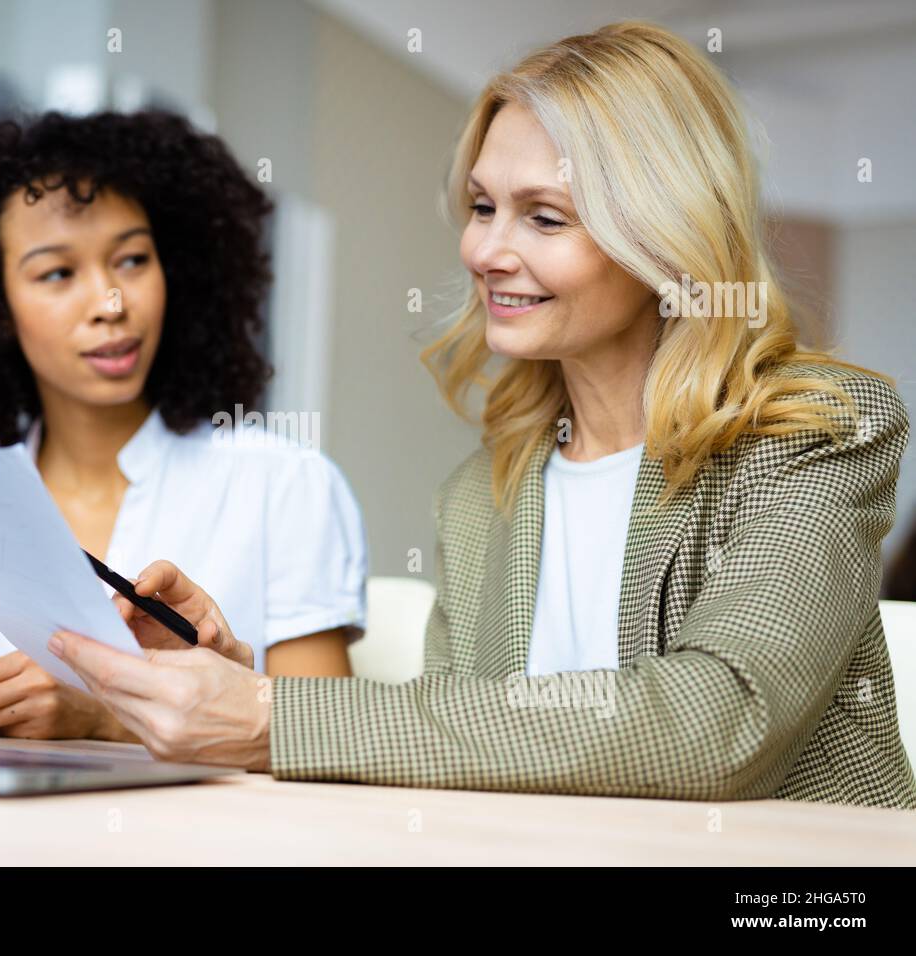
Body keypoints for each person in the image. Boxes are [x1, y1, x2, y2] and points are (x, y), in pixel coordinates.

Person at [46, 22, 916, 808]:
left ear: (664, 236)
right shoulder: (482, 495)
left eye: (545, 217)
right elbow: (460, 742)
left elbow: (721, 722)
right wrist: (232, 689)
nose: (487, 252)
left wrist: (276, 717)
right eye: (482, 206)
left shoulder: (815, 437)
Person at [0, 105, 367, 743]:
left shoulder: (284, 485)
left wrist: (103, 718)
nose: (111, 304)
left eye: (133, 260)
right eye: (58, 273)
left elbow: (332, 745)